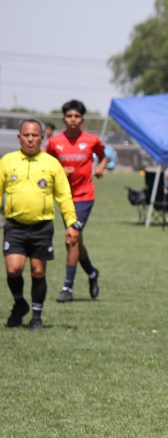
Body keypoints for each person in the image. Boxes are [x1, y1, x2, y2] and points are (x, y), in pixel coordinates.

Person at [1, 119, 80, 330]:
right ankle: (19, 304)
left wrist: (72, 223)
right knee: (13, 269)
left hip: (42, 227)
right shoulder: (7, 161)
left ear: (42, 138)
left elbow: (64, 196)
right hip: (14, 225)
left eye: (34, 135)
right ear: (19, 137)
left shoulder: (52, 163)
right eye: (26, 135)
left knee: (37, 271)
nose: (30, 139)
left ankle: (37, 316)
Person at [46, 99, 108, 303]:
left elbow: (104, 155)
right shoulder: (55, 142)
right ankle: (91, 273)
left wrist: (99, 169)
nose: (73, 120)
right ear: (64, 118)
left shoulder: (91, 140)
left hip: (84, 197)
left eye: (77, 116)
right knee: (75, 241)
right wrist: (60, 171)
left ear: (82, 119)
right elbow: (46, 165)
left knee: (71, 237)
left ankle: (67, 288)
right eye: (69, 116)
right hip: (64, 198)